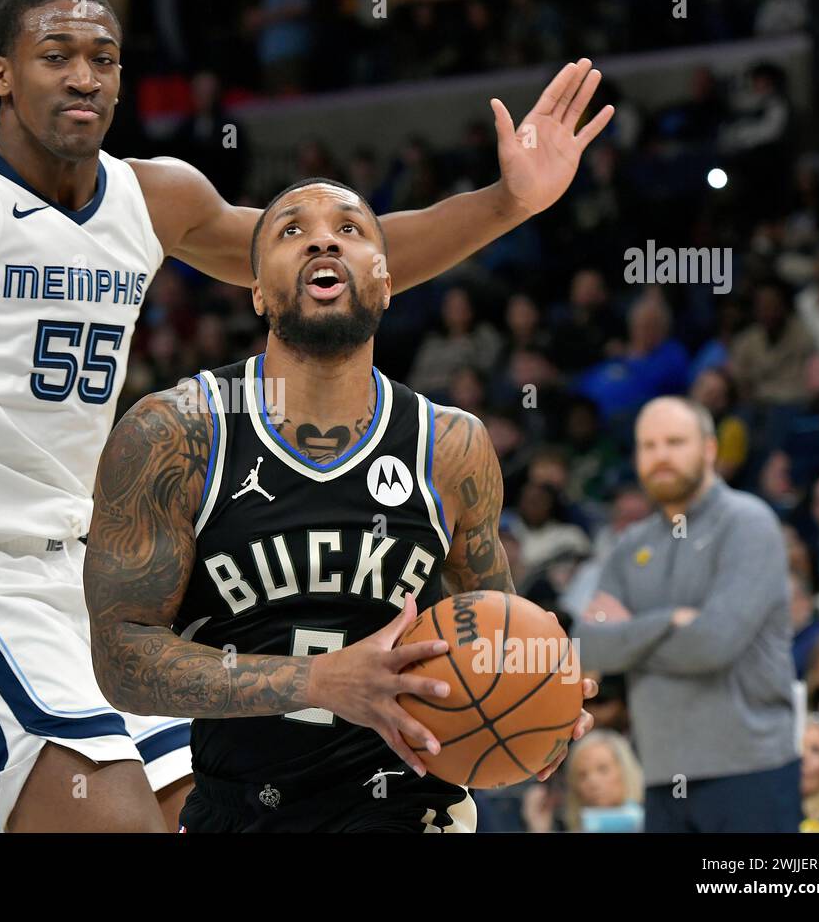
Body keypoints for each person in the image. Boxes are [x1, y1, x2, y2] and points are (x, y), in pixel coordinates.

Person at [0, 0, 612, 832]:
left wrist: (507, 202)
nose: (83, 76)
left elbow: (323, 268)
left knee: (190, 815)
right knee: (110, 825)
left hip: (96, 574)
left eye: (104, 58)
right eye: (56, 56)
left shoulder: (155, 198)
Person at [82, 179, 596, 832]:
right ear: (258, 292)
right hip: (239, 814)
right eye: (291, 230)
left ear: (386, 284)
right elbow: (122, 659)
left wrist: (537, 694)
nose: (324, 237)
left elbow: (495, 631)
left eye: (350, 229)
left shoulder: (451, 446)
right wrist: (317, 681)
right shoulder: (174, 433)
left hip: (414, 814)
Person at [573, 396, 800, 832]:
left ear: (710, 449)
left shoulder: (748, 523)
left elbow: (712, 643)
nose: (661, 457)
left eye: (675, 442)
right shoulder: (630, 545)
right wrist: (669, 621)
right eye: (649, 445)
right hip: (659, 776)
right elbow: (589, 643)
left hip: (749, 771)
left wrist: (629, 641)